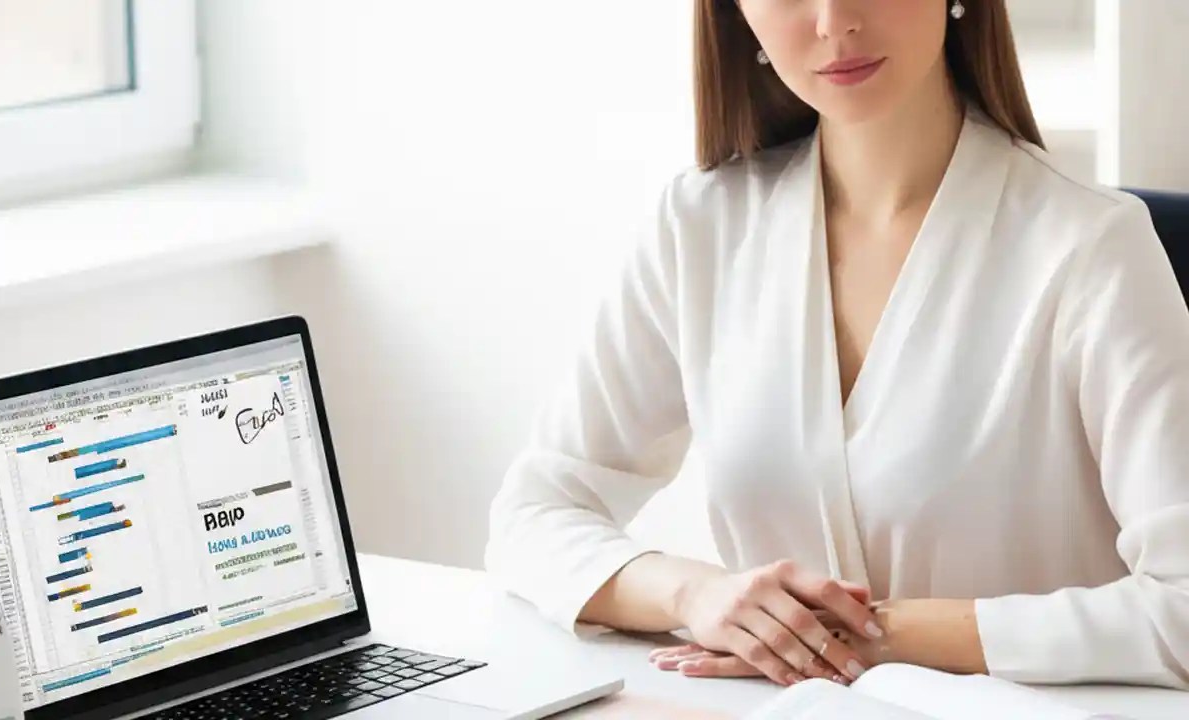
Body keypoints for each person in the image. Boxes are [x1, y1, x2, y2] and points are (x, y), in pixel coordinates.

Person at [485, 0, 1189, 692]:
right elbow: (533, 514)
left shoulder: (1093, 247)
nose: (833, 22)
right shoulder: (702, 227)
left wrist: (880, 633)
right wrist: (696, 595)